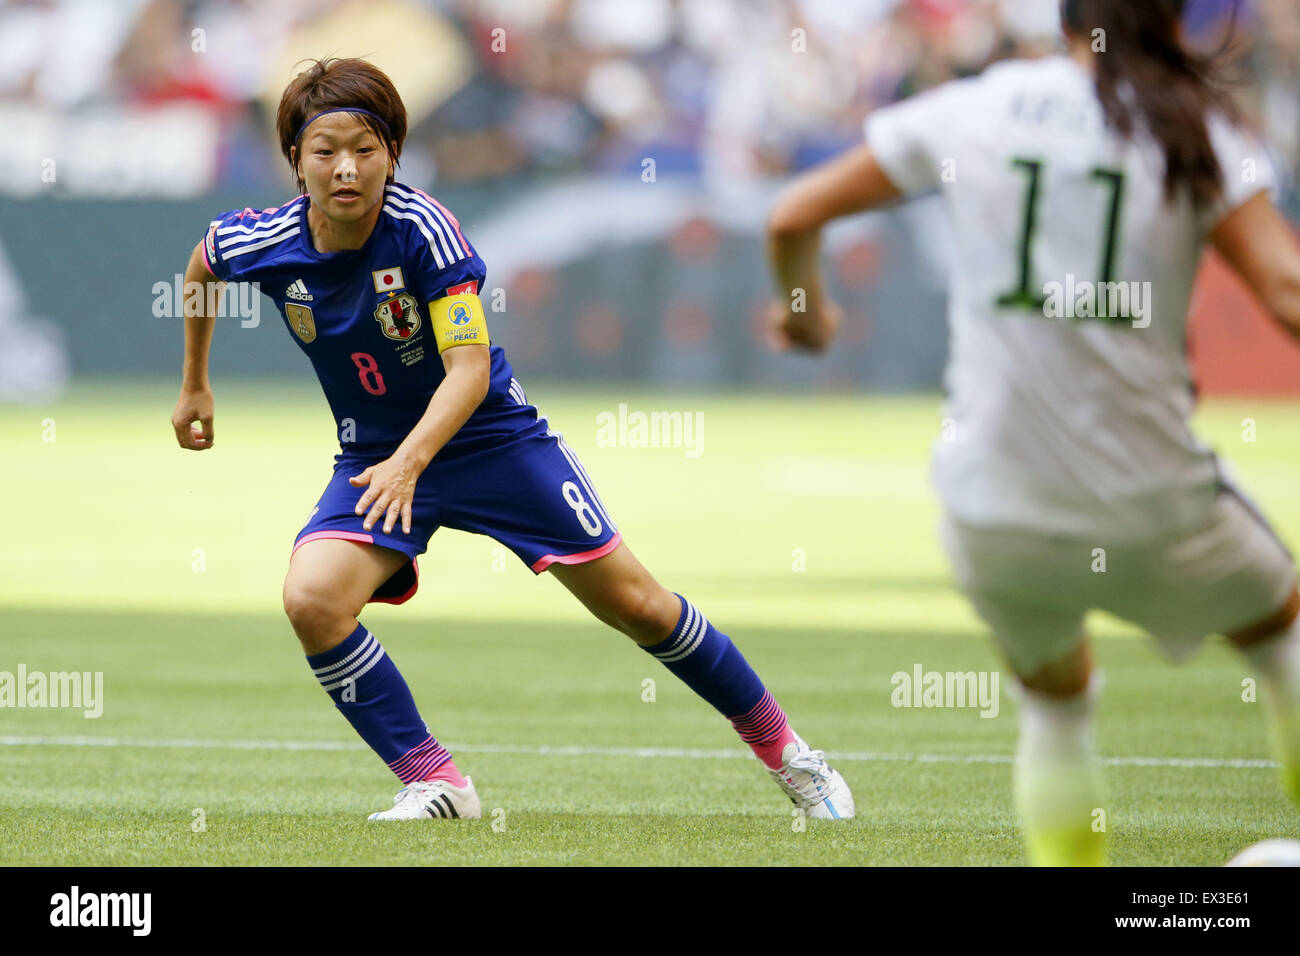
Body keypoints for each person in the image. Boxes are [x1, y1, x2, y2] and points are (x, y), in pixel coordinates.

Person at [171, 57, 853, 822]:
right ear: (294, 158)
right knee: (313, 600)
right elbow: (201, 269)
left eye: (366, 148)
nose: (346, 168)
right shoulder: (258, 239)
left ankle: (790, 754)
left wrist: (410, 461)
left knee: (640, 606)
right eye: (325, 150)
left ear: (393, 153)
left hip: (493, 443)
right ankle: (438, 784)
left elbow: (466, 373)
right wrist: (196, 381)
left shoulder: (423, 230)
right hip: (378, 458)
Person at [766, 0, 1300, 864]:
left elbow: (792, 215)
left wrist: (806, 317)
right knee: (1281, 633)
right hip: (1154, 498)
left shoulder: (974, 108)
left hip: (992, 509)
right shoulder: (1193, 127)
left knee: (1056, 703)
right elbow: (1287, 293)